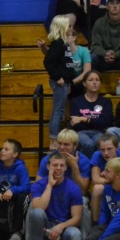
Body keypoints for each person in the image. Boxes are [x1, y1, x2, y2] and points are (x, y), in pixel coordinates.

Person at [26, 152, 83, 240]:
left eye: (61, 165)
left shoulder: (73, 187)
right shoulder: (39, 185)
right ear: (48, 167)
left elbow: (77, 218)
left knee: (76, 234)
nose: (58, 168)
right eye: (54, 165)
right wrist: (50, 185)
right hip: (43, 230)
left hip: (62, 229)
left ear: (65, 168)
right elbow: (39, 208)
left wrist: (61, 227)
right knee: (36, 213)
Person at [88, 133, 120, 226]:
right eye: (102, 150)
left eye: (109, 149)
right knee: (97, 188)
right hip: (110, 186)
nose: (106, 153)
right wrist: (116, 180)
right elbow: (95, 179)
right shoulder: (97, 155)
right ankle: (96, 225)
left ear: (117, 148)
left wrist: (118, 181)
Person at [44, 15, 77, 151]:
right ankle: (53, 140)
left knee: (60, 111)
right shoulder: (58, 43)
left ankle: (55, 139)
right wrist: (58, 78)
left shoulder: (63, 43)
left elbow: (66, 65)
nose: (71, 28)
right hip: (59, 83)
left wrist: (68, 82)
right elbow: (48, 62)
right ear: (62, 28)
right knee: (58, 111)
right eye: (69, 26)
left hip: (64, 83)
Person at [68, 70, 114, 158]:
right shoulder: (76, 101)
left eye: (97, 80)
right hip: (80, 133)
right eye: (91, 80)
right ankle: (86, 169)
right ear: (84, 84)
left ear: (100, 83)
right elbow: (75, 125)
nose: (94, 82)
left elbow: (106, 122)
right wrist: (96, 121)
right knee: (88, 144)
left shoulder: (106, 102)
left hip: (99, 132)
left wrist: (84, 119)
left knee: (99, 142)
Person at [90, 0, 120, 72]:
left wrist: (116, 55)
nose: (115, 6)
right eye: (112, 3)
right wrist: (105, 54)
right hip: (104, 58)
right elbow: (95, 46)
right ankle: (94, 82)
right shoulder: (99, 23)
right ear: (106, 6)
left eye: (118, 3)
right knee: (91, 58)